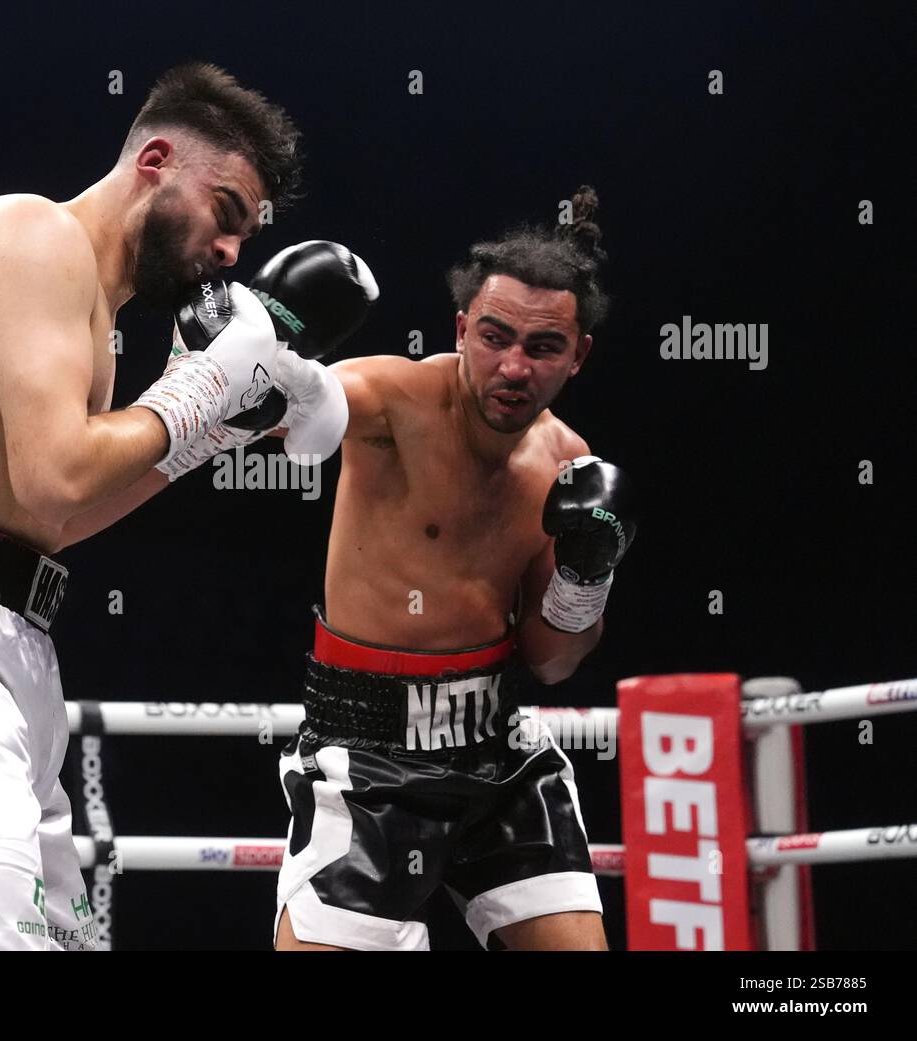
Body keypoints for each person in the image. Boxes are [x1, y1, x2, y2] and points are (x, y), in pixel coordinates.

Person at [0, 62, 316, 950]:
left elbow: (58, 521)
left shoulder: (96, 330)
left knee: (44, 939)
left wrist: (209, 430)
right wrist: (197, 392)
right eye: (226, 213)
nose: (232, 253)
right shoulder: (32, 233)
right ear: (154, 158)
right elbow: (58, 476)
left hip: (3, 636)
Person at [274, 188, 639, 951]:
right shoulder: (392, 400)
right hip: (367, 748)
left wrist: (587, 576)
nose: (514, 365)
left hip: (498, 747)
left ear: (578, 355)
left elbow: (553, 658)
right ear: (460, 329)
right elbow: (284, 417)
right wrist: (265, 340)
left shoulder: (569, 465)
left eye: (542, 348)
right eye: (495, 337)